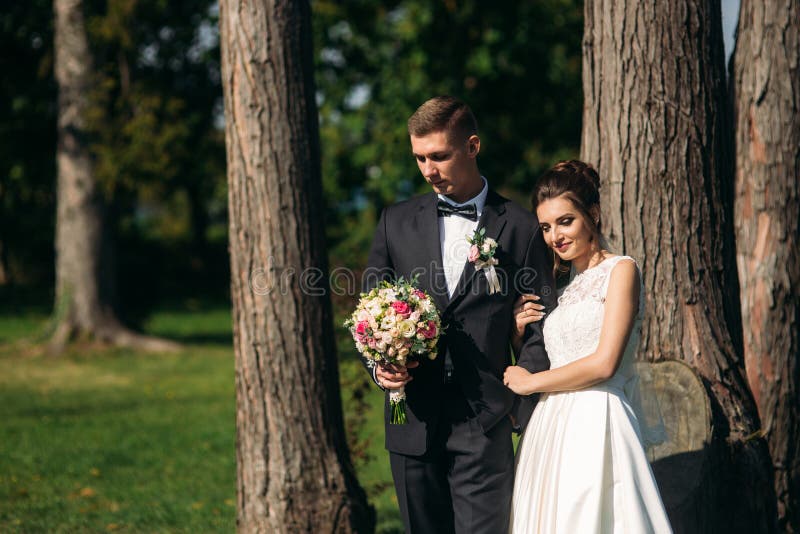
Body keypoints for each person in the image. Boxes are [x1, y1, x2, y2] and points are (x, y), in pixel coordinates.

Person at [362, 96, 556, 533]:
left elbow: (545, 326)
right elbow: (367, 315)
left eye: (439, 156)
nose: (428, 170)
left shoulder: (521, 227)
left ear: (472, 147)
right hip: (412, 422)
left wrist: (517, 403)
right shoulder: (395, 222)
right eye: (419, 158)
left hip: (484, 424)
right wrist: (380, 368)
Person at [504, 160, 672, 533]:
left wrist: (532, 382)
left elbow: (604, 364)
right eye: (546, 227)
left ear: (592, 213)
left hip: (598, 419)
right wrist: (518, 336)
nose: (554, 236)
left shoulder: (621, 271)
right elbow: (560, 351)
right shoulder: (559, 290)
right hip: (550, 426)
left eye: (566, 221)